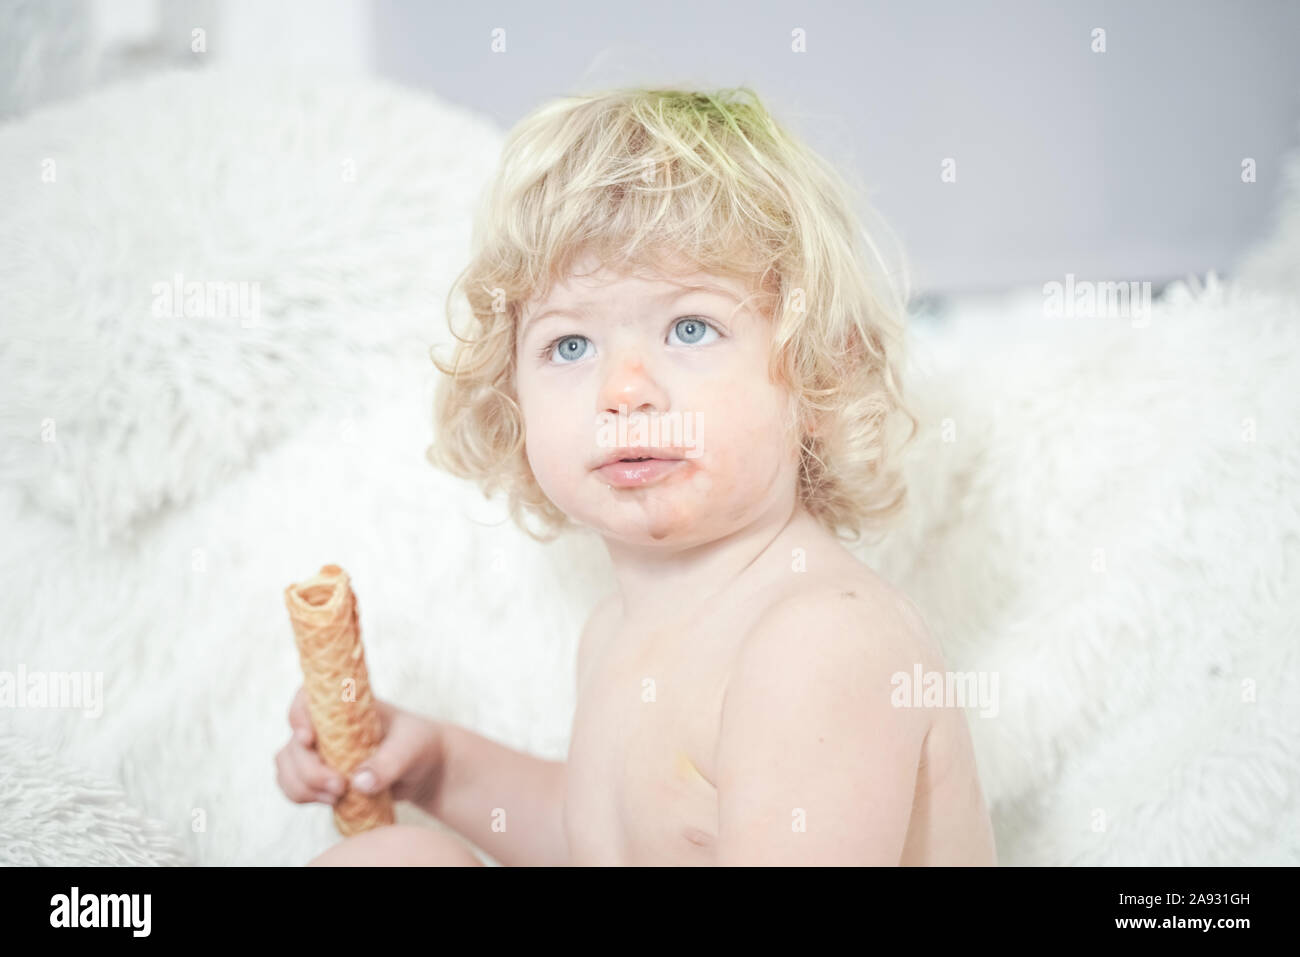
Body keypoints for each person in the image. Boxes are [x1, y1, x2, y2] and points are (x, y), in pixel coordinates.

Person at [276, 86, 997, 866]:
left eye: (691, 328)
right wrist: (442, 767)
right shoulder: (613, 635)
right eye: (572, 345)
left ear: (821, 373)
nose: (624, 390)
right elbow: (604, 839)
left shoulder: (821, 642)